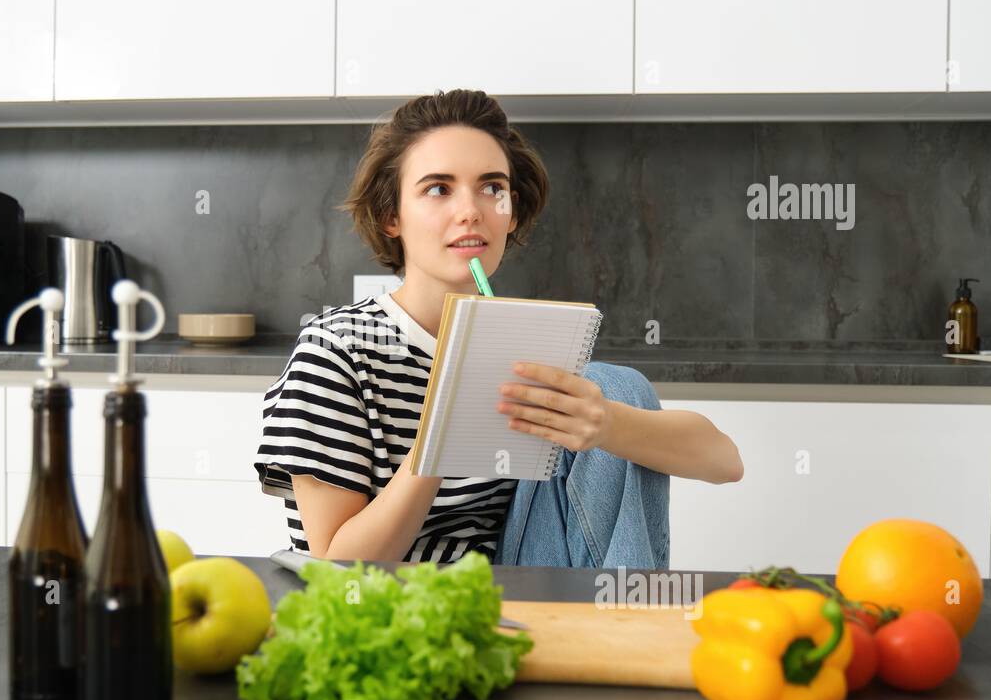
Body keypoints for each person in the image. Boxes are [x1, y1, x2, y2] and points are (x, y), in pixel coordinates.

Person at [254, 89, 743, 567]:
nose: (472, 211)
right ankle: (617, 635)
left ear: (511, 215)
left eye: (493, 188)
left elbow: (725, 462)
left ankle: (619, 628)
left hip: (509, 594)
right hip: (384, 604)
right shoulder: (337, 349)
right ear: (390, 217)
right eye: (438, 189)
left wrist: (606, 424)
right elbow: (339, 566)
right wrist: (446, 434)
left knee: (615, 386)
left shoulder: (525, 345)